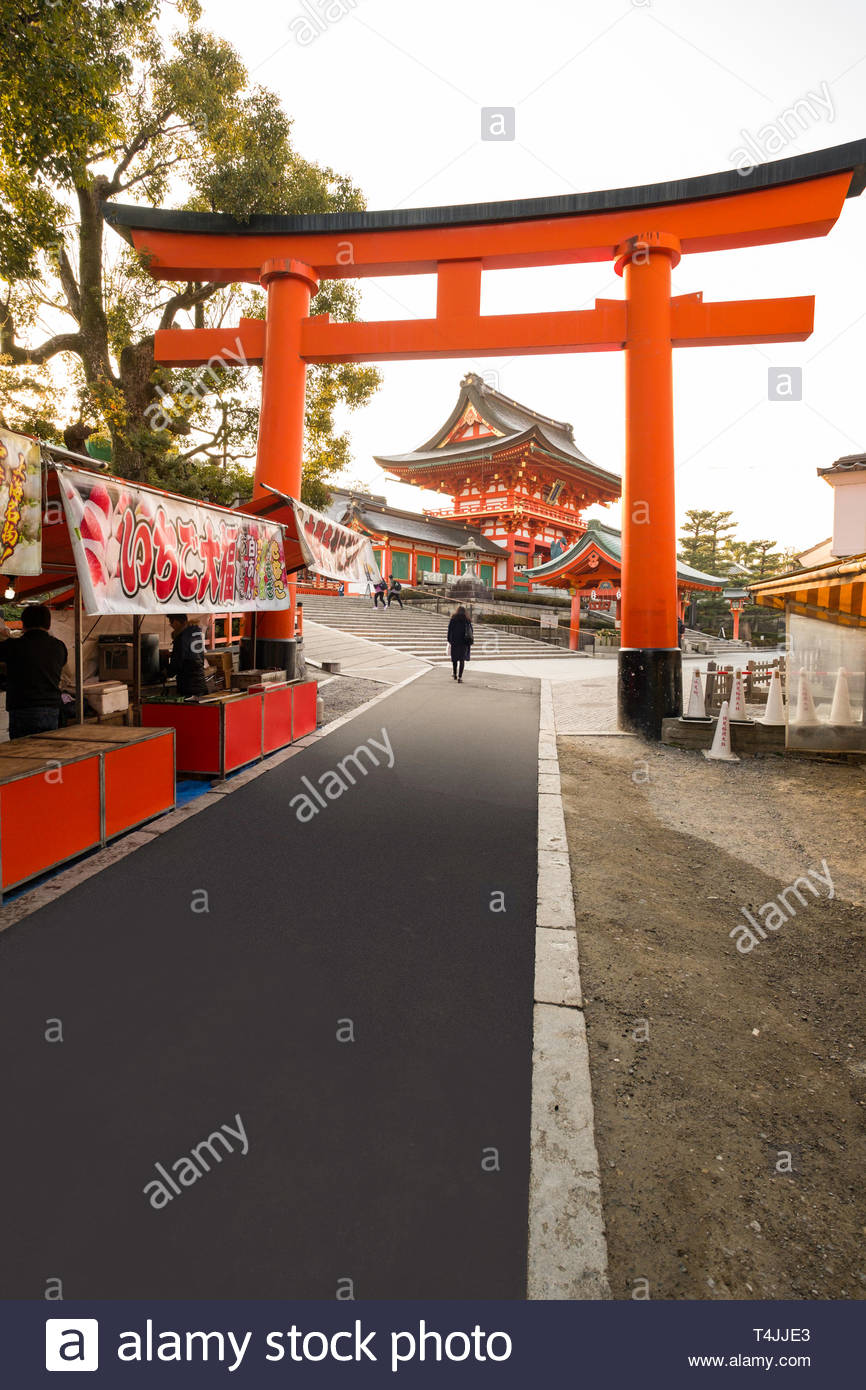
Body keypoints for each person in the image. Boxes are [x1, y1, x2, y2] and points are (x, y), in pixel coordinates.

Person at [0, 603, 68, 738]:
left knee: (24, 755)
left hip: (23, 709)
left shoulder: (14, 646)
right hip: (52, 709)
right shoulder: (59, 646)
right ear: (48, 625)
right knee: (46, 752)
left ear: (23, 624)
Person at [167, 614, 209, 697]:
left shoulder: (181, 638)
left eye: (171, 623)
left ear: (176, 622)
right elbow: (192, 654)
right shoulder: (196, 634)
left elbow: (177, 663)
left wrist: (167, 672)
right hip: (200, 682)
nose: (171, 626)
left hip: (188, 685)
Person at [447, 604, 473, 683]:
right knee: (462, 659)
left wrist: (449, 640)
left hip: (455, 641)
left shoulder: (453, 619)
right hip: (464, 642)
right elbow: (471, 631)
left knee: (454, 659)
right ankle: (460, 677)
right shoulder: (467, 620)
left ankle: (454, 674)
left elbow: (449, 630)